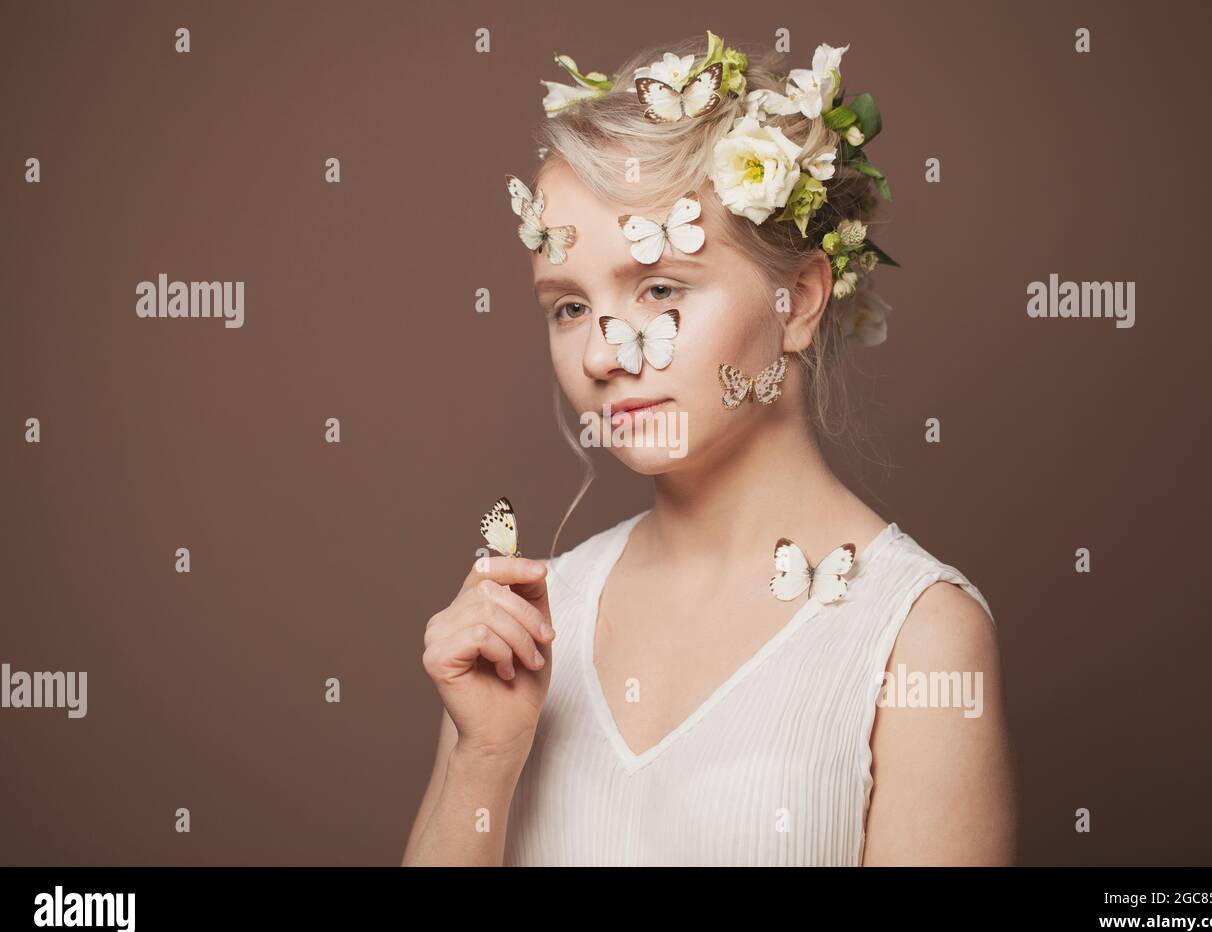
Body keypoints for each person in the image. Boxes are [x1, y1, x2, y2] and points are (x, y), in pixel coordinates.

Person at [403, 31, 1016, 866]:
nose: (602, 355)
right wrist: (484, 758)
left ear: (796, 299)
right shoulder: (533, 621)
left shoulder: (917, 638)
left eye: (658, 290)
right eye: (569, 307)